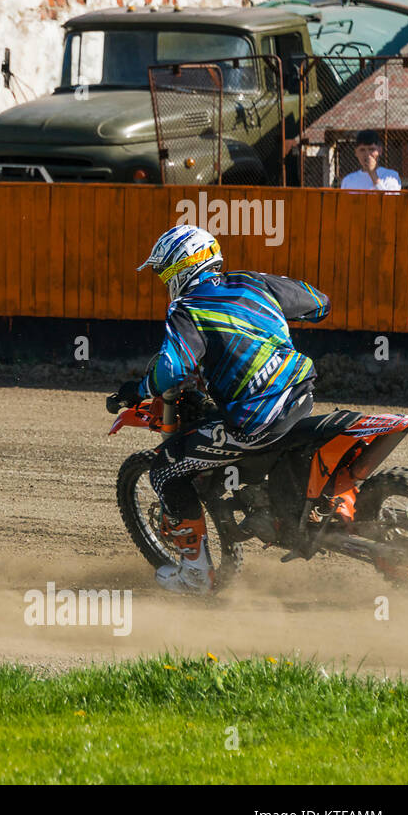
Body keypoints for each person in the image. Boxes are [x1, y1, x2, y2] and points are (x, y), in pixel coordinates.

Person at [107, 224, 331, 595]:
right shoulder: (252, 282)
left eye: (166, 271)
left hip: (255, 420)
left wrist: (141, 388)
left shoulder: (187, 307)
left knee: (164, 470)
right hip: (300, 395)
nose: (165, 280)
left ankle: (196, 576)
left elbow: (175, 369)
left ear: (183, 266)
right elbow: (318, 302)